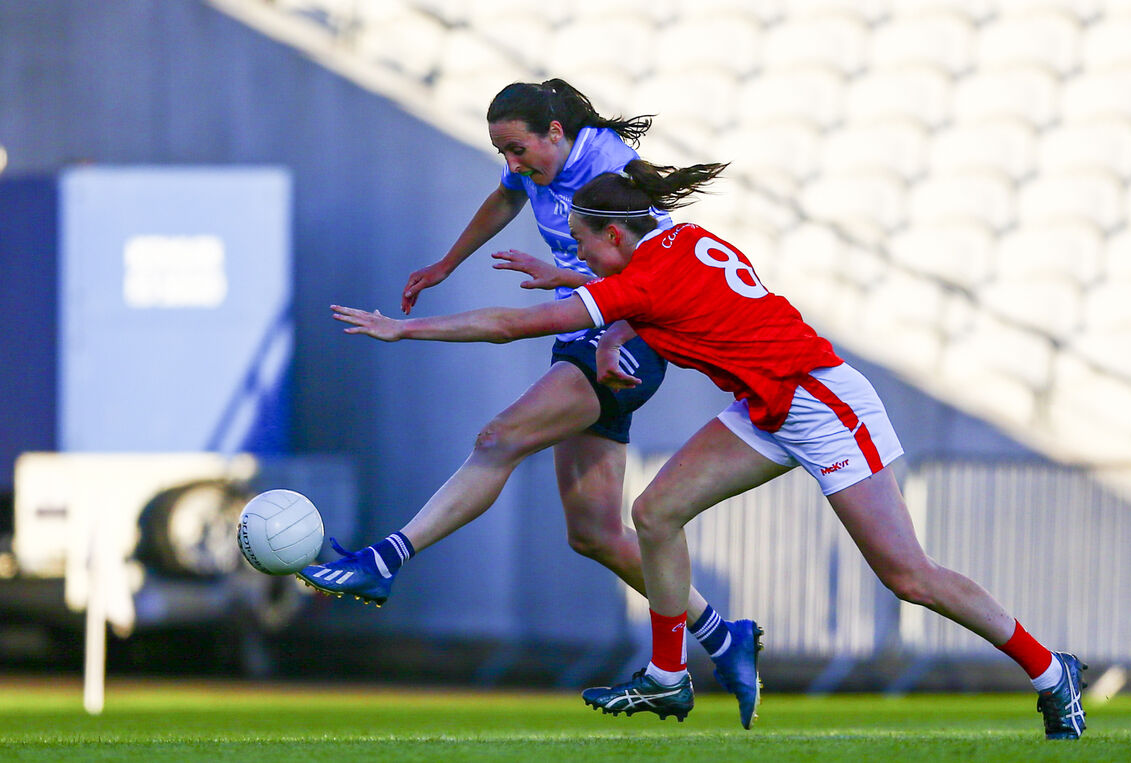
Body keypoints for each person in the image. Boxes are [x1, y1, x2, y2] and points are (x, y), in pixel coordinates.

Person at [325, 158, 1089, 741]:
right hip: (765, 403)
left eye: (584, 246)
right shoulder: (682, 239)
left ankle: (1051, 670)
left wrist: (406, 328)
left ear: (614, 235)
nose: (581, 257)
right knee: (655, 512)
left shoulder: (638, 282)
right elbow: (654, 296)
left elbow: (512, 325)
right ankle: (668, 673)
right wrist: (588, 299)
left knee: (908, 575)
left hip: (822, 403)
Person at [298, 79, 764, 730]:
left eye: (518, 150)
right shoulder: (534, 166)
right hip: (587, 332)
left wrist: (406, 329)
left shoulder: (607, 169)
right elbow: (505, 197)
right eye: (502, 152)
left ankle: (383, 561)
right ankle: (722, 635)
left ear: (556, 133)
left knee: (499, 438)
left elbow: (649, 276)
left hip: (622, 338)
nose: (512, 165)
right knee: (594, 534)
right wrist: (445, 265)